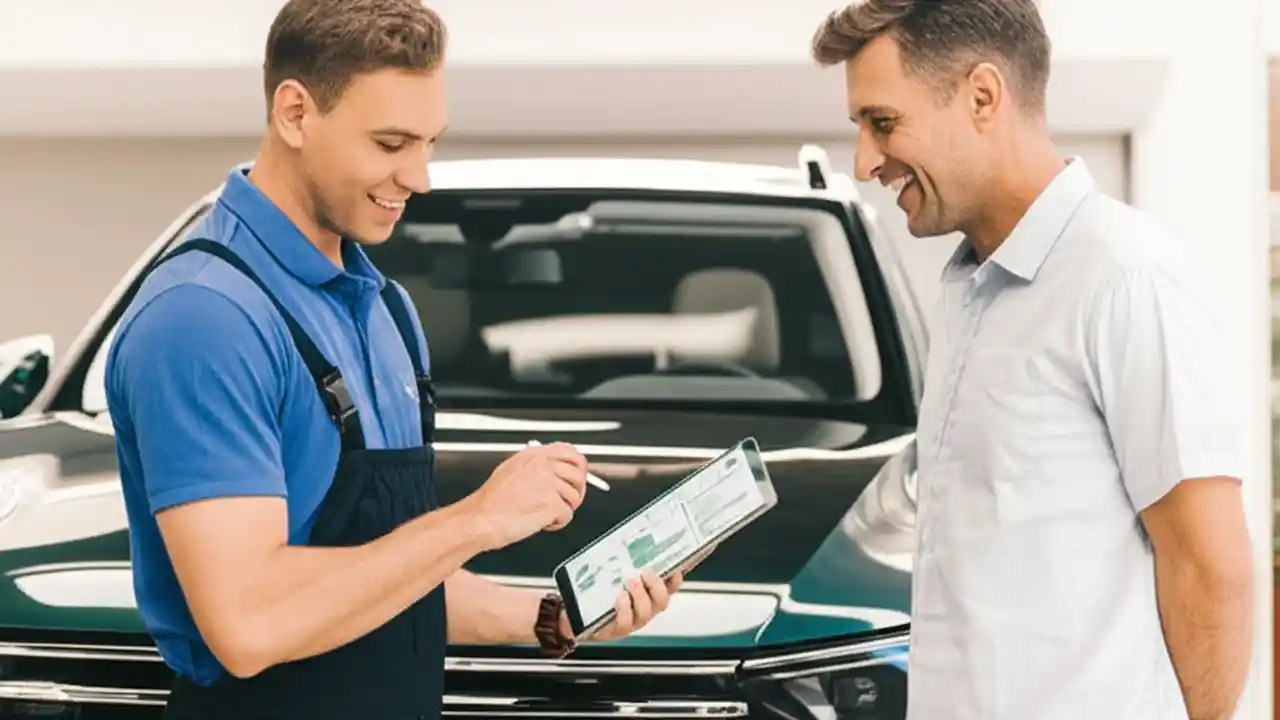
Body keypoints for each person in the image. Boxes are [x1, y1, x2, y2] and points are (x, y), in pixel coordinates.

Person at [104, 1, 683, 718]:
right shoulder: (204, 319)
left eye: (430, 142)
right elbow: (249, 623)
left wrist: (553, 616)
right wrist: (480, 517)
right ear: (294, 113)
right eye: (390, 143)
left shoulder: (383, 309)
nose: (421, 176)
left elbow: (385, 580)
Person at [809, 2, 1254, 719]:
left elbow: (1210, 565)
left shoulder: (1125, 277)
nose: (864, 162)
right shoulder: (966, 290)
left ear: (983, 96)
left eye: (883, 123)